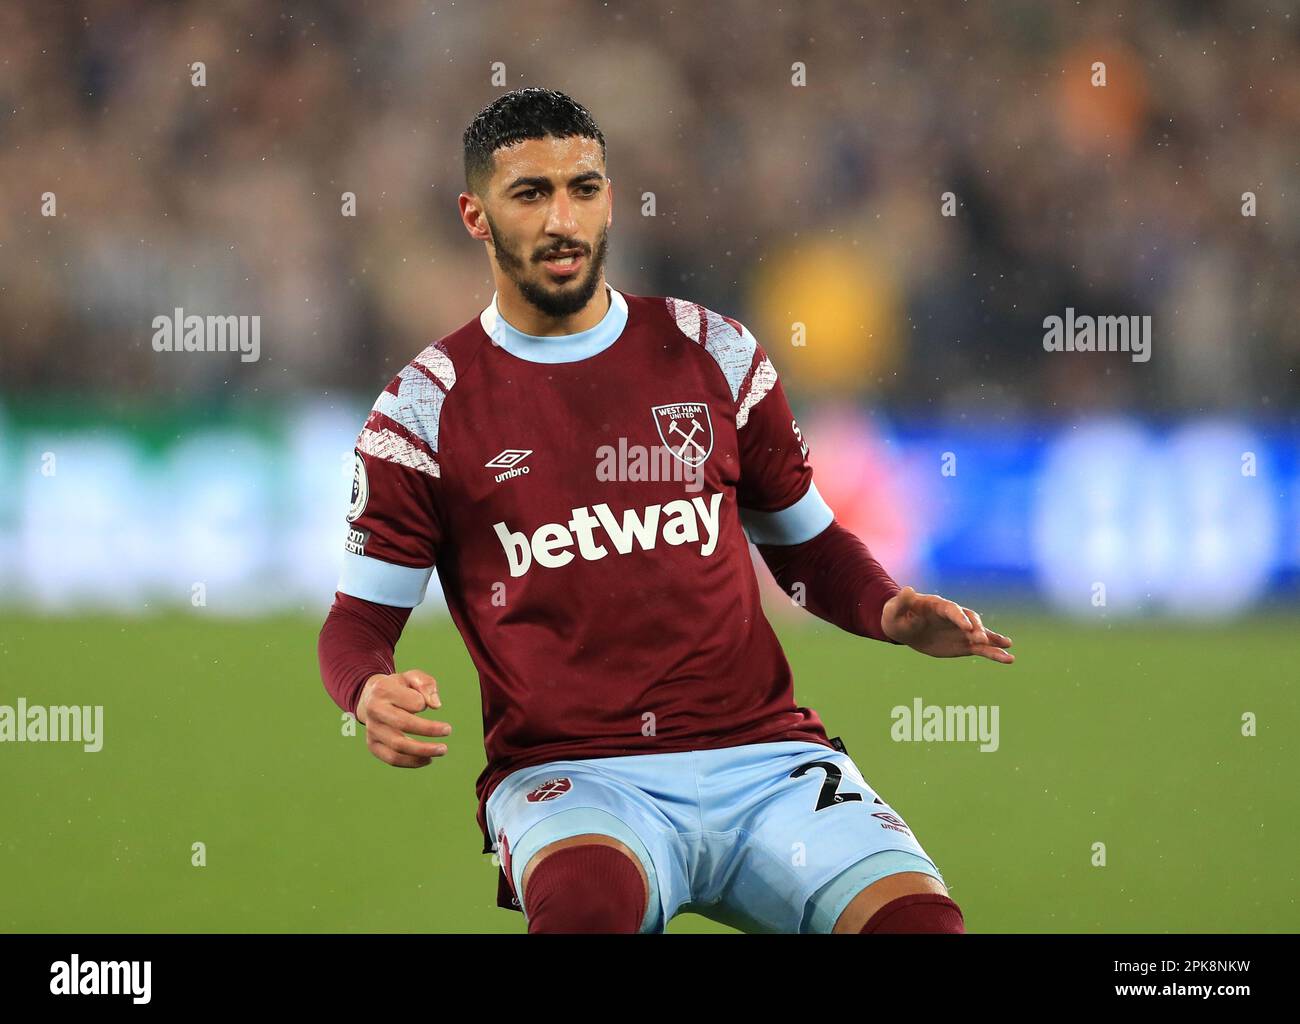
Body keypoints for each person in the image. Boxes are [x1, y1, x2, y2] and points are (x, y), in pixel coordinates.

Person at [318, 87, 1014, 934]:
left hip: (767, 760)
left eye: (583, 187)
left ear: (611, 196)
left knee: (923, 928)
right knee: (587, 913)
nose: (562, 220)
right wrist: (368, 691)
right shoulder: (423, 409)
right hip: (577, 776)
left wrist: (889, 609)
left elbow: (807, 549)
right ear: (476, 215)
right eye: (530, 194)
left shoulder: (713, 353)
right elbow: (357, 622)